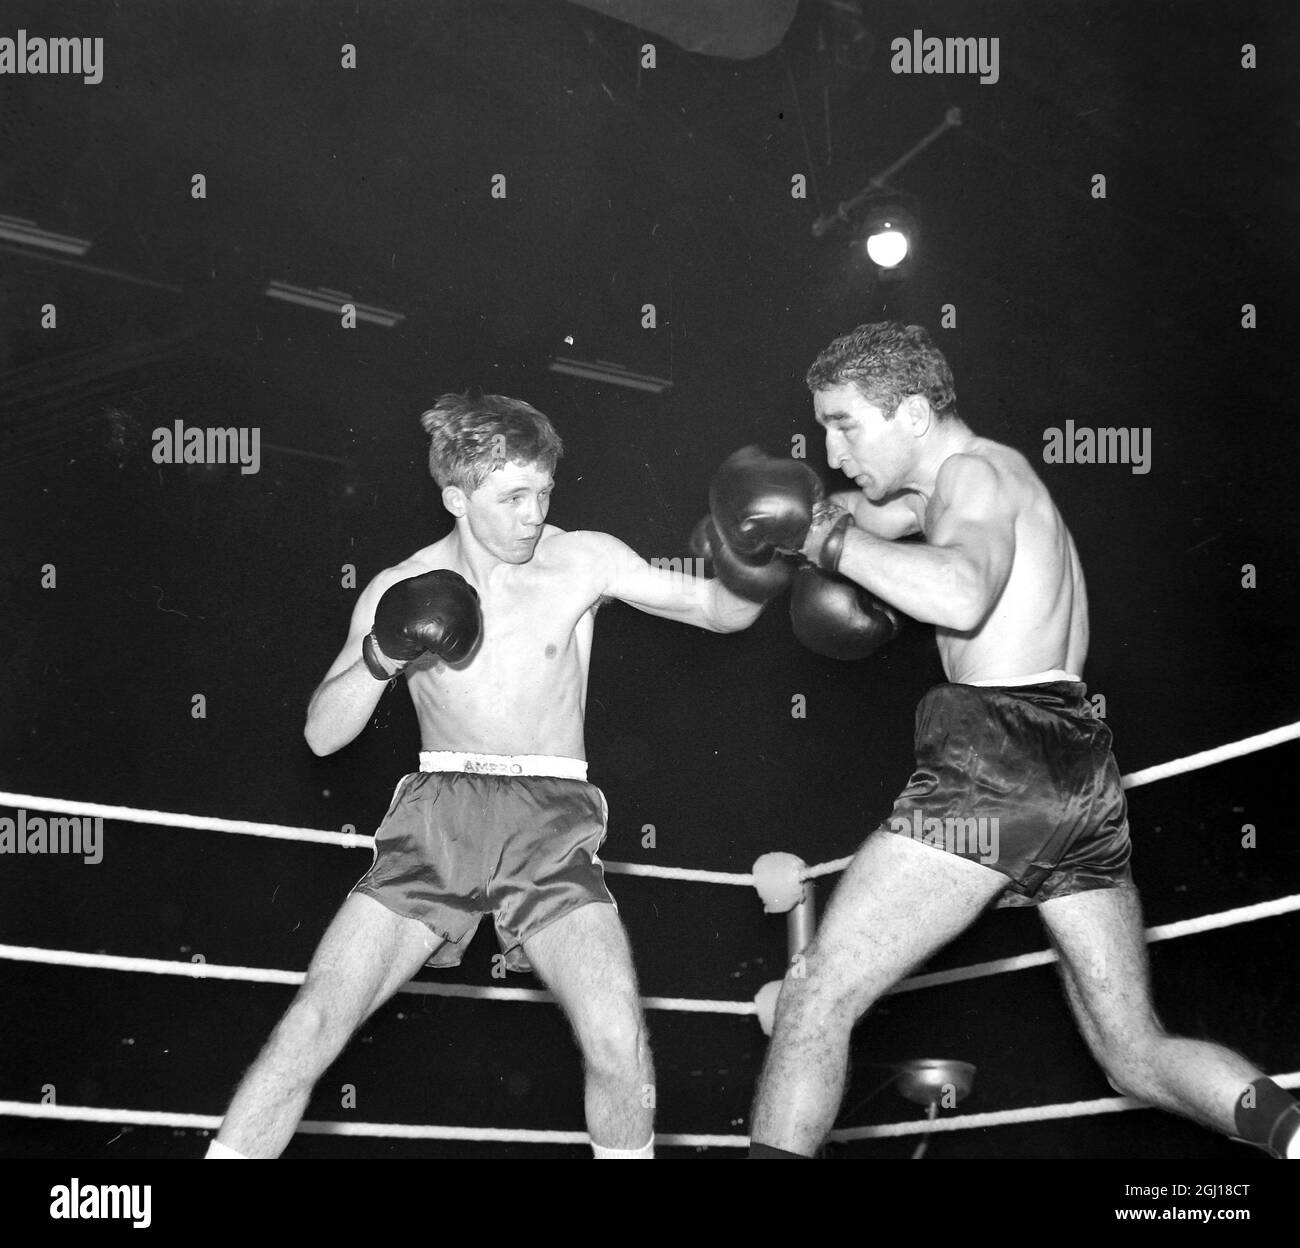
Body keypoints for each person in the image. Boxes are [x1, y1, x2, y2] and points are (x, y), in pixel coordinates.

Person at [720, 321, 1299, 1159]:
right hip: (1078, 770)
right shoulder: (970, 483)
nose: (832, 447)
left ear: (913, 414)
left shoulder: (973, 475)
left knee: (818, 991)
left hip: (999, 758)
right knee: (1132, 1054)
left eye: (844, 424)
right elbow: (867, 506)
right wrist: (792, 516)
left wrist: (820, 540)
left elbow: (958, 595)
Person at [205, 390, 762, 1159]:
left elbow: (718, 611)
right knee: (315, 1021)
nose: (535, 514)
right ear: (456, 498)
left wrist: (760, 557)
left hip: (552, 817)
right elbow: (322, 736)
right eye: (513, 497)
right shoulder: (400, 586)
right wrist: (382, 656)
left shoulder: (583, 559)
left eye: (544, 492)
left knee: (616, 1037)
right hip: (439, 814)